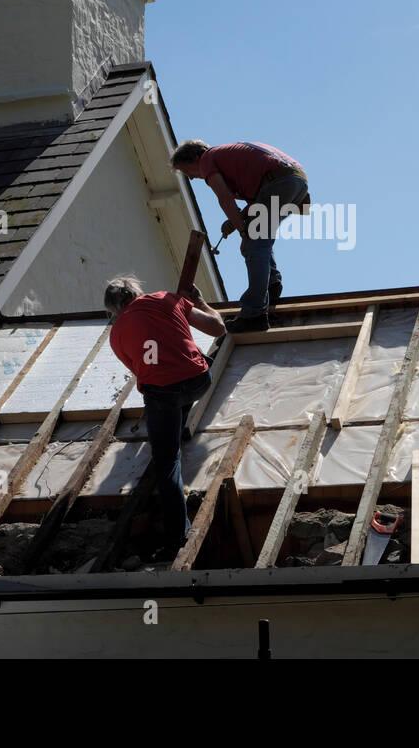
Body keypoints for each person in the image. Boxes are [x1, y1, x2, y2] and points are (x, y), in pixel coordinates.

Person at [104, 275, 225, 561]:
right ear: (136, 291)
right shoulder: (166, 298)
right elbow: (219, 328)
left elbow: (140, 370)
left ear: (114, 309)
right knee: (187, 376)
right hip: (198, 381)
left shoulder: (116, 333)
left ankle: (176, 536)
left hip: (164, 393)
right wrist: (200, 301)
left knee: (167, 461)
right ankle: (179, 418)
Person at [169, 139, 309, 333]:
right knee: (257, 240)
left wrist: (242, 231)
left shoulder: (208, 159)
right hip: (296, 183)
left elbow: (224, 198)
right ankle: (271, 285)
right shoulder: (229, 158)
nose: (191, 178)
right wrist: (239, 222)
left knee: (254, 245)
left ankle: (254, 314)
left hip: (279, 183)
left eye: (187, 171)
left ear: (195, 157)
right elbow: (258, 199)